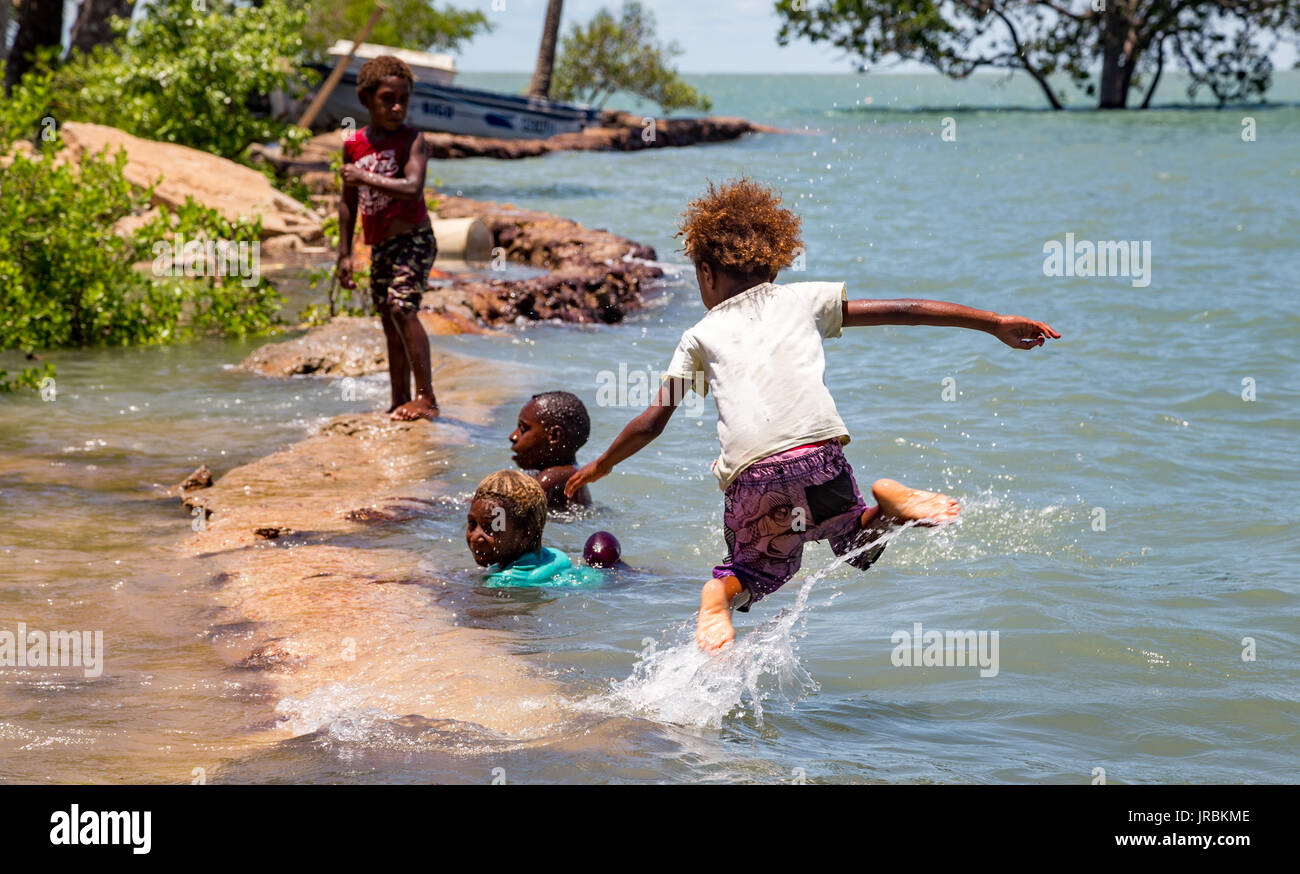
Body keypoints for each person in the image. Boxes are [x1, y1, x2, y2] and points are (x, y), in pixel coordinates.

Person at [566, 177, 1060, 650]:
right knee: (855, 546)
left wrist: (601, 465)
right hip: (818, 457)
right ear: (774, 266)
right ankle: (887, 504)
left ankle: (718, 595)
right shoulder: (801, 298)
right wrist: (994, 323)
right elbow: (905, 309)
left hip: (754, 475)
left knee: (757, 569)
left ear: (705, 274)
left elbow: (652, 421)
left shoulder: (699, 335)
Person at [337, 55, 439, 421]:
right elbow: (348, 202)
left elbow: (412, 188)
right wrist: (344, 254)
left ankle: (426, 398)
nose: (397, 108)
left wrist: (364, 178)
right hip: (380, 245)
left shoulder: (413, 140)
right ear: (365, 99)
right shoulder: (354, 145)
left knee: (402, 307)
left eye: (404, 100)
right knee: (388, 317)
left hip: (414, 239)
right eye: (387, 99)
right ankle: (399, 400)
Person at [467, 470, 602, 588]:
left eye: (491, 528)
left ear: (526, 532)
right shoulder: (556, 558)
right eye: (472, 524)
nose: (475, 537)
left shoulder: (501, 583)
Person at [509, 391, 592, 510]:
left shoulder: (553, 477)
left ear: (554, 436)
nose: (513, 436)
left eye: (523, 429)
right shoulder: (569, 472)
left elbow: (509, 509)